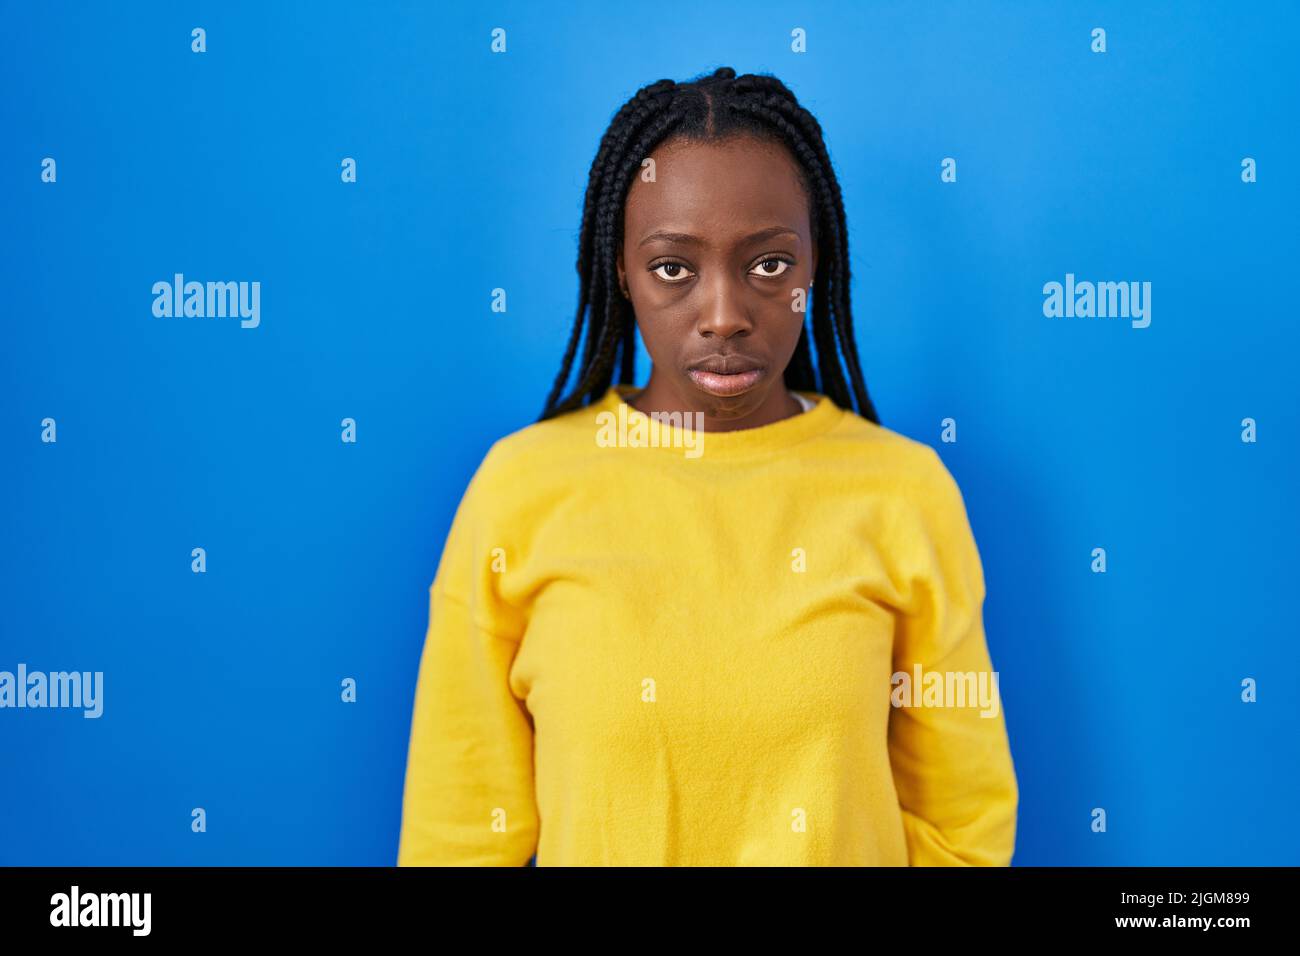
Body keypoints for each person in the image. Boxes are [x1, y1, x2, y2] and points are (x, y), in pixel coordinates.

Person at [397, 66, 1018, 866]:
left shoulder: (904, 493)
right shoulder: (520, 491)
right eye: (672, 268)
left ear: (815, 266)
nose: (724, 315)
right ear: (619, 269)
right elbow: (458, 835)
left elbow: (961, 826)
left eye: (767, 265)